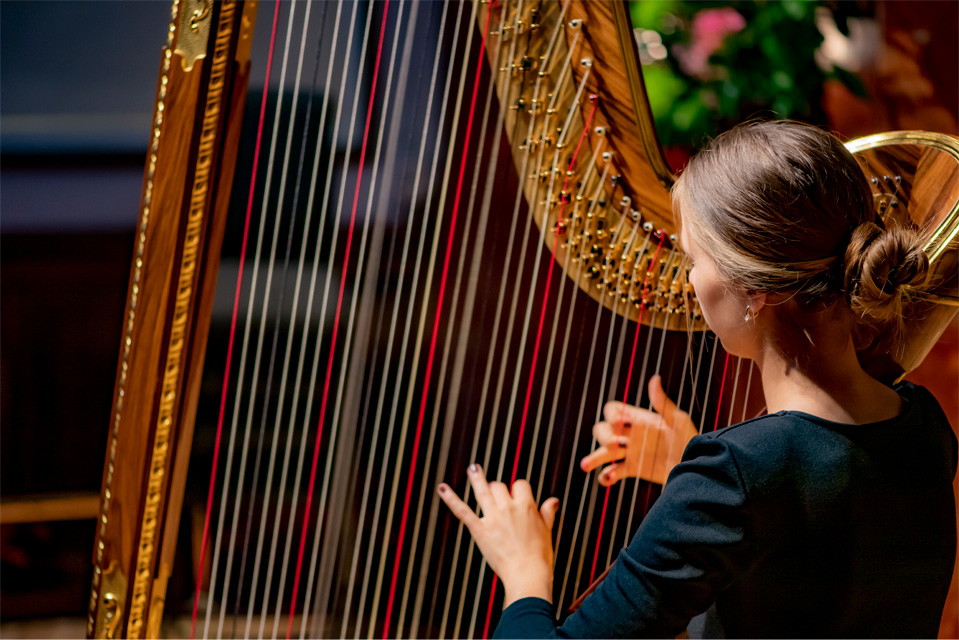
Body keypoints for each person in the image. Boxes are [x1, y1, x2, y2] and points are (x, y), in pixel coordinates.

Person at [437, 120, 957, 638]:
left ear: (753, 291)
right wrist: (694, 472)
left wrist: (524, 573)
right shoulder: (923, 425)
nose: (687, 280)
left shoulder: (738, 475)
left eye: (693, 258)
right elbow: (807, 547)